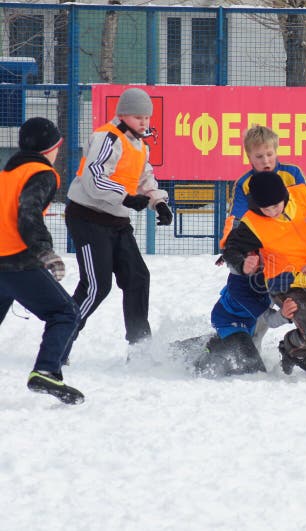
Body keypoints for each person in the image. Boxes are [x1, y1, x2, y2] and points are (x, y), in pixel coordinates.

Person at [65, 87, 173, 347]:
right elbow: (94, 179)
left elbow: (145, 178)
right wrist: (126, 197)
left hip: (116, 221)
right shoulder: (108, 137)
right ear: (122, 115)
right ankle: (60, 338)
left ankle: (139, 348)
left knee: (137, 277)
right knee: (96, 286)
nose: (144, 123)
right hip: (88, 217)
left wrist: (158, 203)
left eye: (147, 118)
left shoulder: (139, 145)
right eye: (138, 117)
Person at [222, 171, 306, 375]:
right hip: (283, 283)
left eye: (276, 206)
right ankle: (291, 347)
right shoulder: (252, 223)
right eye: (266, 208)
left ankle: (300, 353)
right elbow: (230, 248)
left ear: (284, 196)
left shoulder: (303, 195)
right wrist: (242, 264)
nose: (273, 212)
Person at [0, 118, 83, 404]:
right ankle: (46, 371)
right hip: (18, 260)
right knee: (66, 313)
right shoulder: (42, 173)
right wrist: (44, 252)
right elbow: (28, 213)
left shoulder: (7, 174)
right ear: (52, 148)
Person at [214, 125, 306, 355]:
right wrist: (229, 247)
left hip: (292, 247)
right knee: (258, 294)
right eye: (259, 156)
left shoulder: (292, 173)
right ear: (249, 157)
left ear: (276, 151)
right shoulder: (244, 183)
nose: (266, 160)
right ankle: (243, 343)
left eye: (269, 154)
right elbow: (235, 218)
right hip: (261, 249)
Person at [170, 297, 298, 378]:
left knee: (254, 372)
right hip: (231, 323)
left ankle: (182, 349)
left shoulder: (277, 273)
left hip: (243, 329)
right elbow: (267, 316)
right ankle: (191, 362)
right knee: (257, 376)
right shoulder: (251, 275)